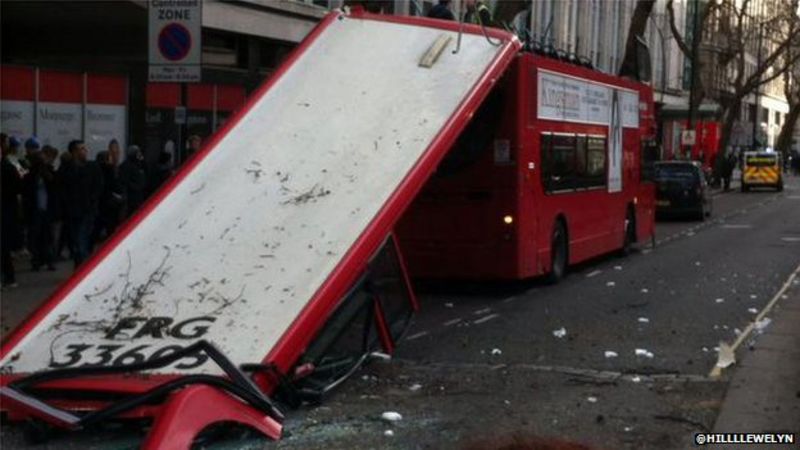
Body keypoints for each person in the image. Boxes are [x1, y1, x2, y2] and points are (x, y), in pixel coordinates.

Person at [61, 140, 104, 267]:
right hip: (73, 211)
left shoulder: (92, 167)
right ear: (74, 152)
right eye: (81, 149)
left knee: (82, 239)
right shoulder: (67, 169)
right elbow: (62, 188)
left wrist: (92, 200)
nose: (84, 151)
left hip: (87, 210)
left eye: (85, 148)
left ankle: (83, 267)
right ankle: (79, 265)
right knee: (76, 241)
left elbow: (99, 186)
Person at [24, 148, 58, 271]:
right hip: (36, 210)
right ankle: (38, 260)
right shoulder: (30, 177)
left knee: (47, 237)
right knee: (37, 237)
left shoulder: (49, 174)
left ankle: (47, 260)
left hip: (45, 210)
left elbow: (55, 187)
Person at [1, 135, 24, 287]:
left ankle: (9, 278)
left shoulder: (9, 165)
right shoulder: (9, 165)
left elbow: (18, 186)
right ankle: (9, 278)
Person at [118, 145, 148, 217]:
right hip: (130, 196)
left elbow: (146, 172)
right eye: (138, 152)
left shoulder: (138, 164)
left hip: (138, 195)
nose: (139, 154)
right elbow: (124, 181)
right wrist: (135, 187)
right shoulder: (126, 165)